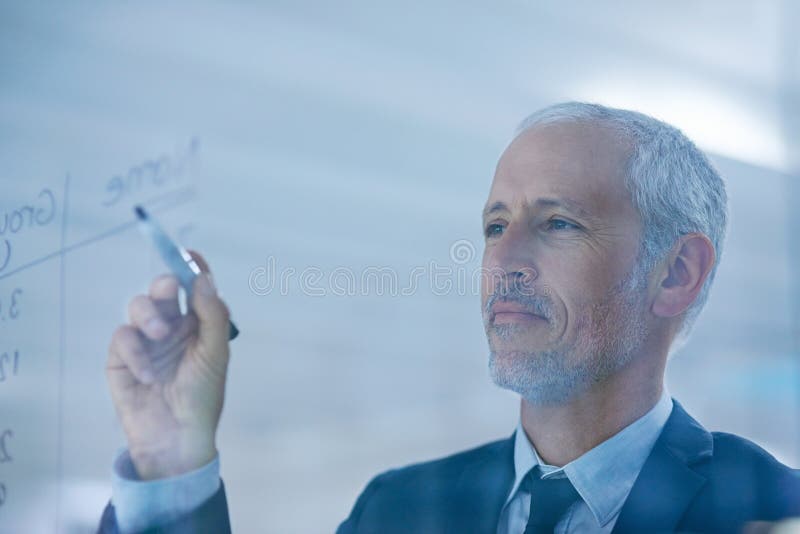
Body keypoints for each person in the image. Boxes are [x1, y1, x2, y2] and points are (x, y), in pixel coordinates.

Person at [97, 102, 800, 533]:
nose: (504, 261)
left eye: (556, 223)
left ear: (675, 273)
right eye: (495, 227)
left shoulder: (769, 507)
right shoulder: (397, 511)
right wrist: (169, 464)